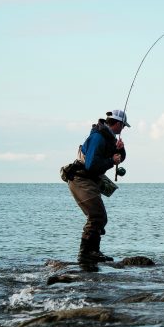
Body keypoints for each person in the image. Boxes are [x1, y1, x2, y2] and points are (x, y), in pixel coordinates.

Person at [68, 108, 129, 270]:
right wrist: (111, 161)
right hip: (81, 178)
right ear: (117, 123)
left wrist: (120, 149)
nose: (122, 130)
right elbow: (91, 165)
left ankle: (93, 251)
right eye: (122, 126)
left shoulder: (108, 137)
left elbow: (119, 158)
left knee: (100, 217)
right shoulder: (98, 137)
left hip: (89, 179)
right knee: (97, 216)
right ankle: (86, 254)